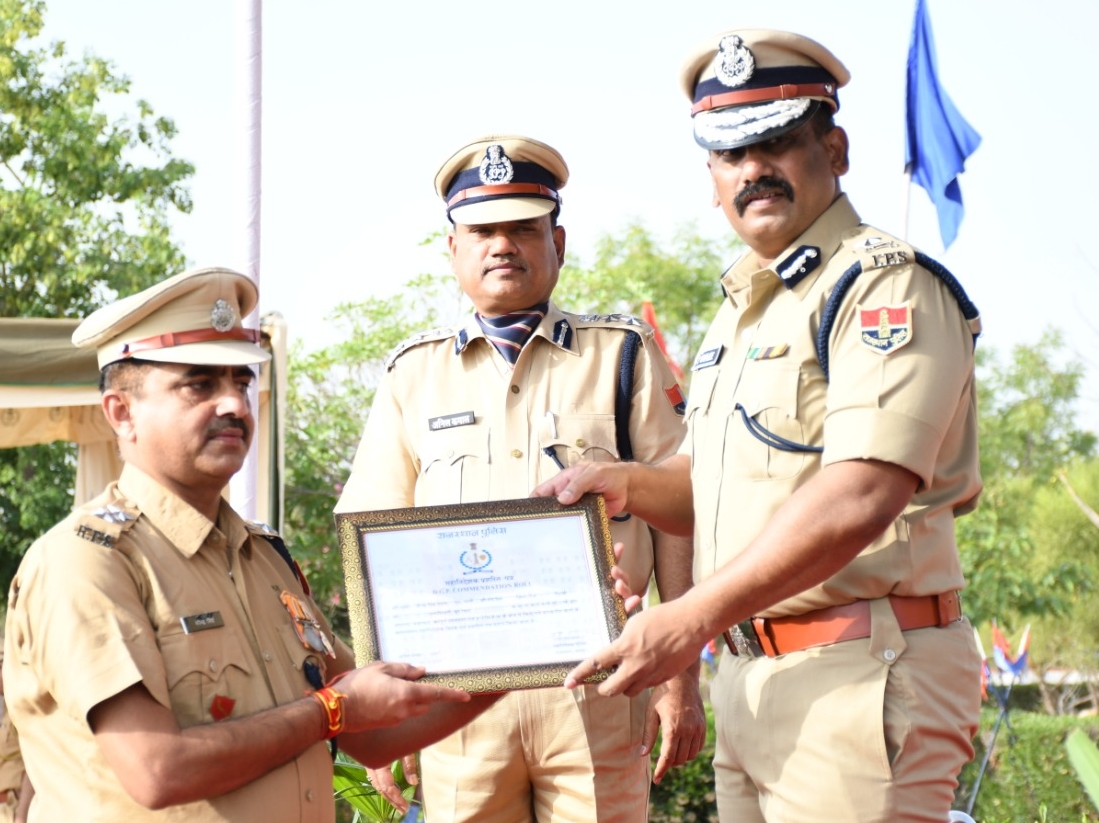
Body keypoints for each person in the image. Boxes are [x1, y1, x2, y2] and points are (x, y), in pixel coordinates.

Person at [534, 30, 983, 823]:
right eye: (727, 154)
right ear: (710, 179)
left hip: (857, 675)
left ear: (834, 149)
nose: (751, 171)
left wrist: (689, 615)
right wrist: (626, 486)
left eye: (775, 142)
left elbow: (860, 494)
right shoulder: (744, 310)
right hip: (753, 678)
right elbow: (713, 484)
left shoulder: (885, 288)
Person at [1, 266, 499, 822]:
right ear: (122, 413)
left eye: (241, 381)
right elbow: (157, 770)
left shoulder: (264, 558)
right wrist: (330, 711)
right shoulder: (88, 560)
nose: (236, 405)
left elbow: (376, 733)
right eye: (199, 384)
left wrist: (535, 654)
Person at [335, 134, 705, 822]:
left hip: (597, 693)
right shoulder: (411, 375)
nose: (501, 245)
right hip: (453, 710)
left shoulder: (622, 355)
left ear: (556, 243)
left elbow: (674, 514)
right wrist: (378, 711)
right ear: (453, 250)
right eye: (481, 230)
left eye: (522, 228)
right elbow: (371, 543)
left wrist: (681, 672)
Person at [0, 650, 32, 823]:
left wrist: (22, 815)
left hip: (15, 808)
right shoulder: (7, 710)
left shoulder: (25, 710)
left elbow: (37, 761)